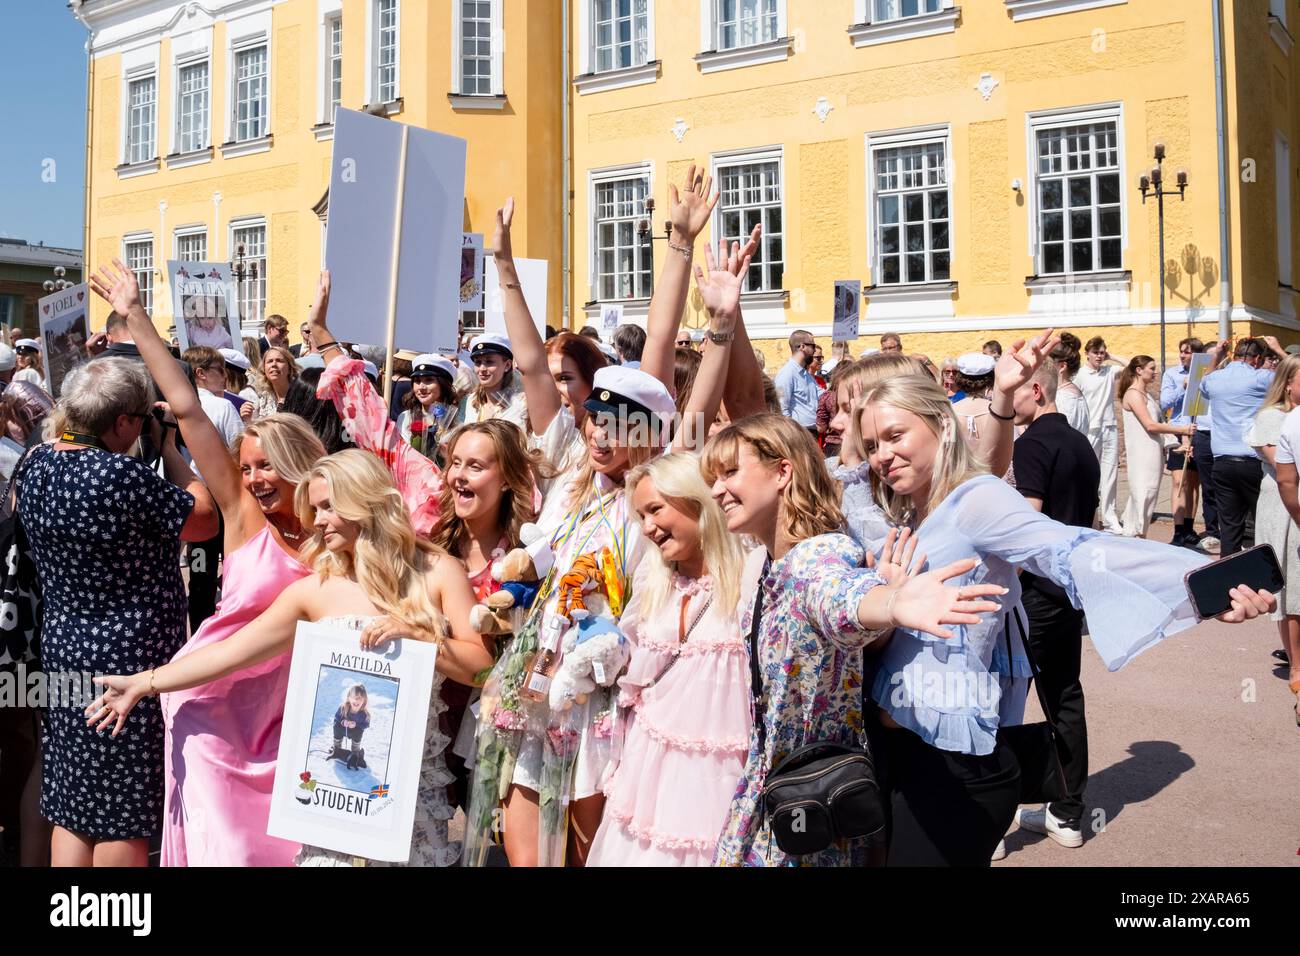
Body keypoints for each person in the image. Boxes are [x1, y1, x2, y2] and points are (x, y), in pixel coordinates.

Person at [847, 373, 1274, 866]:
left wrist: (1203, 583)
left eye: (895, 436)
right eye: (874, 444)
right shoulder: (914, 510)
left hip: (953, 770)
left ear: (942, 426)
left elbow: (1070, 550)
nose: (882, 455)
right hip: (907, 751)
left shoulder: (976, 499)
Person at [86, 451, 494, 867]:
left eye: (328, 507)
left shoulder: (439, 572)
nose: (316, 521)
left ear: (365, 501)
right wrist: (146, 682)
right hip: (330, 794)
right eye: (315, 509)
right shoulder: (315, 589)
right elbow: (232, 653)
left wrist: (422, 639)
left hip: (406, 791)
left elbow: (481, 667)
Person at [88, 256, 326, 866]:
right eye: (245, 468)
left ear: (302, 465)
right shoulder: (244, 519)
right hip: (212, 715)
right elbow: (189, 409)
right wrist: (135, 316)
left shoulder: (335, 543)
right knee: (228, 851)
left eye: (266, 466)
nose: (254, 480)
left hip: (291, 727)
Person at [701, 414, 1005, 866]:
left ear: (783, 472)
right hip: (784, 788)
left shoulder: (818, 555)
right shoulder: (771, 558)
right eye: (712, 478)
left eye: (730, 473)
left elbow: (838, 598)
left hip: (813, 799)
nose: (717, 490)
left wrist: (891, 603)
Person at [15, 357, 218, 867]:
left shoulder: (34, 463)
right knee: (121, 815)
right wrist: (170, 446)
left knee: (74, 805)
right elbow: (204, 520)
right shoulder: (121, 476)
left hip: (63, 651)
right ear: (124, 422)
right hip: (127, 663)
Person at [584, 453, 748, 866]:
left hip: (717, 782)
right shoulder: (653, 581)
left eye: (656, 509)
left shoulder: (752, 576)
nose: (648, 528)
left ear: (695, 499)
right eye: (640, 516)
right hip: (646, 776)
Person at [1007, 359, 1100, 850]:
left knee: (1000, 699)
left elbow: (1027, 530)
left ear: (1036, 390)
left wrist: (999, 582)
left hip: (1034, 594)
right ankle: (1067, 812)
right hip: (1067, 590)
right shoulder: (1079, 442)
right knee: (1064, 696)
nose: (1008, 399)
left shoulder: (1033, 444)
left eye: (1015, 391)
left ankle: (991, 816)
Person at [1249, 354, 1300, 726]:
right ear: (1287, 384)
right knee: (1289, 583)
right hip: (1283, 505)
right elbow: (1283, 466)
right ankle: (1296, 663)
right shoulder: (1273, 418)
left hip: (1291, 499)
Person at [1201, 337, 1287, 555]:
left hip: (1221, 461)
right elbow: (1294, 375)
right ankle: (1268, 575)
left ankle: (1228, 580)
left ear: (1234, 355)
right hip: (1253, 460)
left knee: (1229, 528)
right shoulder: (1261, 377)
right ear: (1257, 359)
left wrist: (1217, 356)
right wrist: (1278, 349)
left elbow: (1203, 382)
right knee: (1264, 522)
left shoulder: (1216, 379)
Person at [1119, 355, 1194, 538]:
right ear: (1139, 370)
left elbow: (1158, 427)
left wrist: (1176, 446)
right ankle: (1134, 539)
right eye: (1152, 368)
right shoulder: (1133, 394)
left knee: (1147, 498)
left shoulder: (1147, 395)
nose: (1156, 372)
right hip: (1143, 456)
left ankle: (1137, 538)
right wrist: (1183, 429)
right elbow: (1150, 425)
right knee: (1143, 495)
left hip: (1154, 454)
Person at [1076, 336, 1124, 534]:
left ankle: (1110, 517)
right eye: (1095, 352)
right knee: (1090, 474)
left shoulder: (1109, 370)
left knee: (1110, 474)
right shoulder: (1080, 374)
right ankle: (1089, 514)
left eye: (1102, 352)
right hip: (1090, 429)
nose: (1099, 356)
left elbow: (1130, 365)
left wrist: (1110, 356)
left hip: (1110, 427)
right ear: (1087, 353)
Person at [397, 353, 461, 462]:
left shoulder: (456, 419)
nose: (421, 387)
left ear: (443, 384)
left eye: (429, 380)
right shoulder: (405, 417)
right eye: (417, 381)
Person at [460, 334, 528, 430]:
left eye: (489, 362)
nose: (482, 369)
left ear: (507, 365)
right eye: (478, 362)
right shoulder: (472, 401)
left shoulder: (519, 404)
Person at [773, 329, 821, 435]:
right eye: (813, 346)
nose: (814, 351)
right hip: (798, 433)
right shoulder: (787, 374)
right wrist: (792, 434)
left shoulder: (806, 374)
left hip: (811, 432)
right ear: (802, 347)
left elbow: (822, 394)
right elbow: (781, 408)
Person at [1051, 332, 1089, 434]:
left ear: (1062, 366)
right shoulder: (1063, 393)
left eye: (1047, 361)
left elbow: (1056, 438)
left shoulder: (1065, 399)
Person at [328, 684, 372, 770]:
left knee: (359, 731)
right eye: (354, 697)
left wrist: (356, 724)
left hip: (354, 732)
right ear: (349, 698)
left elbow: (366, 724)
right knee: (336, 726)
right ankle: (337, 748)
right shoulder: (343, 708)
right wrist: (343, 721)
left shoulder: (364, 714)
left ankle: (355, 752)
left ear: (364, 701)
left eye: (359, 698)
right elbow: (337, 717)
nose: (356, 700)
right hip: (342, 729)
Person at [250, 345, 298, 421]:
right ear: (264, 369)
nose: (274, 364)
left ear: (290, 368)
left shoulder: (300, 394)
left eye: (279, 361)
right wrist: (247, 419)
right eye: (270, 361)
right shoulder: (262, 399)